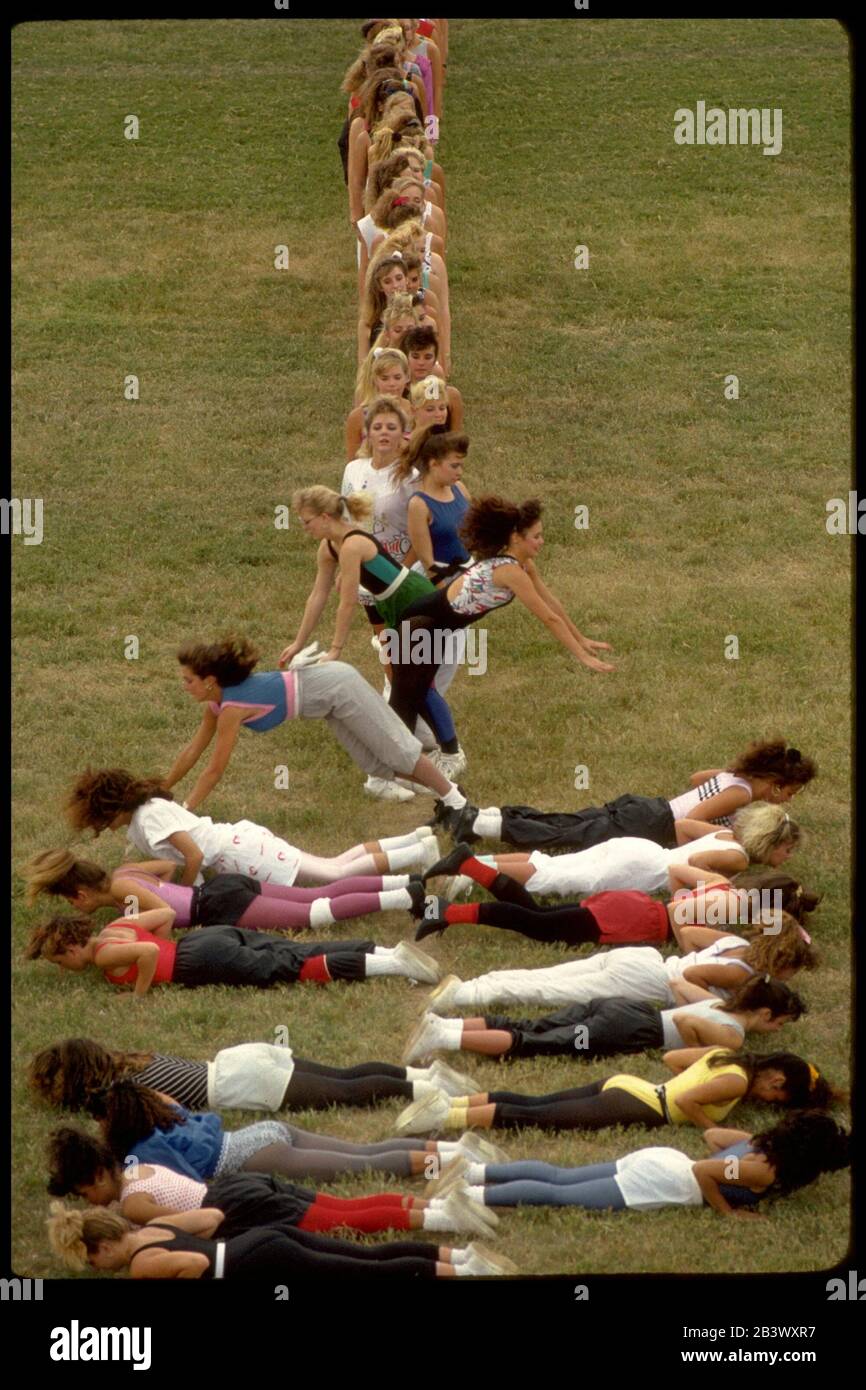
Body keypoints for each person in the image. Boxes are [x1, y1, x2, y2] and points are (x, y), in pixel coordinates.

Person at [152, 635, 470, 813]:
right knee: (378, 764)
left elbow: (214, 769)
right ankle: (449, 795)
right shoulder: (215, 704)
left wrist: (185, 808)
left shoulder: (233, 709)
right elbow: (194, 750)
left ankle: (458, 804)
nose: (184, 686)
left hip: (339, 687)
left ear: (209, 681)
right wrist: (163, 787)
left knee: (399, 752)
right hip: (328, 703)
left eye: (188, 680)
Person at [385, 495, 614, 741]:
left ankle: (407, 764)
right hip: (418, 624)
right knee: (405, 698)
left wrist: (582, 639)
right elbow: (549, 619)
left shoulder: (523, 566)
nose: (542, 542)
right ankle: (389, 771)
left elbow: (552, 604)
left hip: (436, 628)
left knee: (416, 694)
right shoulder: (510, 572)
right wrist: (582, 657)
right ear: (516, 538)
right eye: (536, 536)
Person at [45, 1125, 496, 1239]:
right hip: (247, 1172)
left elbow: (197, 1221)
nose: (94, 1203)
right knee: (355, 1173)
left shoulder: (133, 1203)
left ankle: (443, 1211)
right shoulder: (138, 1168)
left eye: (87, 1194)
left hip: (237, 1198)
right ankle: (453, 1158)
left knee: (337, 1217)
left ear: (98, 1175)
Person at [444, 1111, 849, 1219]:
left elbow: (713, 1139)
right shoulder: (767, 1170)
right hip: (668, 1181)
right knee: (558, 1194)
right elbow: (703, 1172)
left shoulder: (758, 1144)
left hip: (662, 1159)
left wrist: (736, 1153)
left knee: (559, 1176)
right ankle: (469, 1196)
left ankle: (473, 1172)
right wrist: (727, 1212)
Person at [433, 739, 817, 849]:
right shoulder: (741, 795)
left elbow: (697, 776)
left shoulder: (738, 781)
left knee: (569, 823)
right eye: (791, 792)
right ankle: (479, 825)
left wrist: (727, 774)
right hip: (653, 824)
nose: (789, 800)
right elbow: (689, 822)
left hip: (647, 809)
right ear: (778, 783)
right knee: (566, 834)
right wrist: (728, 838)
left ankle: (481, 819)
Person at [420, 913, 816, 1015]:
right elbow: (691, 978)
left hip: (644, 957)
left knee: (553, 977)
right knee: (554, 991)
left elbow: (692, 934)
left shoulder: (733, 942)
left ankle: (478, 983)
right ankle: (467, 994)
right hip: (648, 980)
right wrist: (724, 1010)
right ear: (783, 961)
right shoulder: (741, 974)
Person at [395, 1047, 840, 1136]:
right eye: (782, 1097)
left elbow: (674, 1061)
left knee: (538, 1104)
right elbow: (686, 1102)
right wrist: (709, 1129)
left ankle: (449, 1103)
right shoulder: (738, 1082)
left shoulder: (728, 1055)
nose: (773, 1102)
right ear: (778, 1081)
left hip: (631, 1085)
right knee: (538, 1117)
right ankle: (446, 1118)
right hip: (642, 1105)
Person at [29, 1036, 497, 1116]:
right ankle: (420, 1074)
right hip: (238, 1060)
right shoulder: (128, 1061)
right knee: (344, 1074)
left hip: (239, 1085)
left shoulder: (113, 1092)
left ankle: (431, 1086)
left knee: (347, 1093)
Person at [402, 975, 807, 1067]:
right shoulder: (732, 1037)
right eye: (780, 1024)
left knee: (534, 1023)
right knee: (543, 1042)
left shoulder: (719, 1004)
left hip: (626, 1008)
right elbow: (685, 1027)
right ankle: (445, 1035)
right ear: (766, 1014)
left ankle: (446, 1024)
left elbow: (678, 984)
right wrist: (702, 1052)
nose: (776, 1032)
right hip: (632, 1030)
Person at [422, 804, 801, 902]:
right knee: (552, 879)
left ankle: (470, 864)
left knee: (551, 864)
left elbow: (684, 828)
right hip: (642, 869)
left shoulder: (724, 836)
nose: (786, 859)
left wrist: (676, 858)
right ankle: (469, 869)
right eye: (786, 851)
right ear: (770, 843)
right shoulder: (737, 860)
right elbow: (695, 869)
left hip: (640, 849)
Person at [24, 910, 442, 997]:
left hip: (197, 962)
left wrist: (139, 995)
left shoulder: (102, 956)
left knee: (288, 968)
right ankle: (384, 950)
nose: (66, 969)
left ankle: (389, 964)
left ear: (74, 946)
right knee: (294, 949)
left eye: (62, 961)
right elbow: (164, 915)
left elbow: (148, 955)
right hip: (203, 940)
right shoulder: (114, 926)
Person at [411, 859, 821, 948]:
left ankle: (467, 863)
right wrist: (682, 940)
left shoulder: (723, 885)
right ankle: (447, 914)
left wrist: (674, 908)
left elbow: (679, 871)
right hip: (641, 922)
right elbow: (681, 916)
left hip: (637, 906)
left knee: (539, 913)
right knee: (538, 926)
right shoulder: (734, 909)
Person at [25, 846, 430, 935]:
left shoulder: (124, 891)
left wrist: (150, 932)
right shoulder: (125, 871)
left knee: (313, 914)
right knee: (312, 897)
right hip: (222, 888)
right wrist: (179, 891)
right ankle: (406, 883)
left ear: (80, 895)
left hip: (222, 904)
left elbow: (164, 919)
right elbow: (167, 866)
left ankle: (402, 897)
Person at [47, 1205, 516, 1279]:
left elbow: (190, 1263)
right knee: (364, 1254)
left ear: (100, 1249)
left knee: (364, 1274)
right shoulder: (149, 1230)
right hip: (261, 1237)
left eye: (91, 1263)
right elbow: (211, 1217)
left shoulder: (141, 1266)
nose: (97, 1268)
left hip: (259, 1260)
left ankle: (467, 1270)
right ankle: (457, 1255)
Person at [405, 429, 471, 580]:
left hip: (465, 574)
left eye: (461, 466)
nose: (460, 472)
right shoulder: (419, 505)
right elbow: (427, 562)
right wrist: (445, 598)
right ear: (433, 463)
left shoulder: (459, 489)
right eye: (454, 466)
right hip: (438, 580)